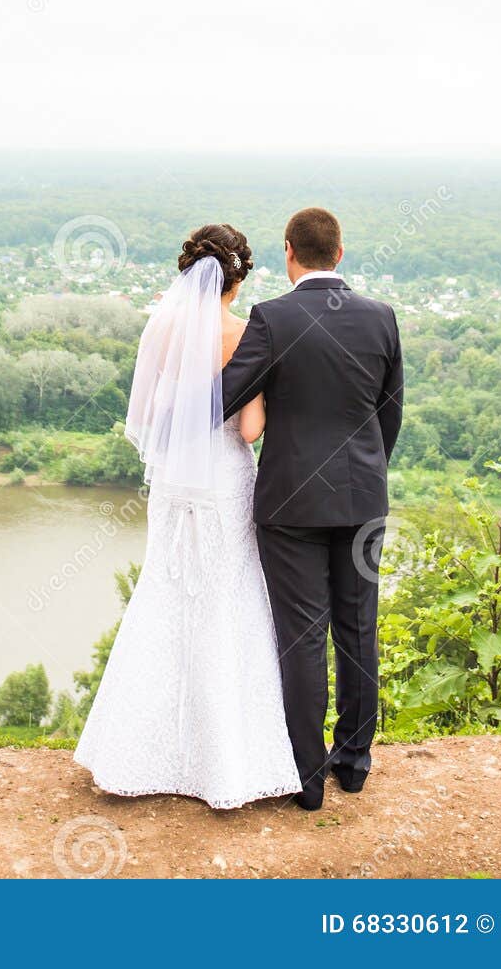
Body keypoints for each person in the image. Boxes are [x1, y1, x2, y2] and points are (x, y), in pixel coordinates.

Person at [74, 223, 300, 809]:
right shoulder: (246, 332)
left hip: (174, 484)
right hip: (224, 479)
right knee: (228, 601)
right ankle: (224, 765)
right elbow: (249, 429)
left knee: (165, 595)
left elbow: (148, 417)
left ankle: (135, 754)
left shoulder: (163, 326)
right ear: (240, 275)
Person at [221, 207, 403, 811]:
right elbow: (389, 413)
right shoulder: (381, 318)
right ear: (341, 254)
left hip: (290, 505)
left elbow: (226, 398)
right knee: (358, 630)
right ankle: (354, 764)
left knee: (302, 637)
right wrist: (367, 473)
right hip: (362, 500)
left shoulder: (271, 318)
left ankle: (306, 779)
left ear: (289, 251)